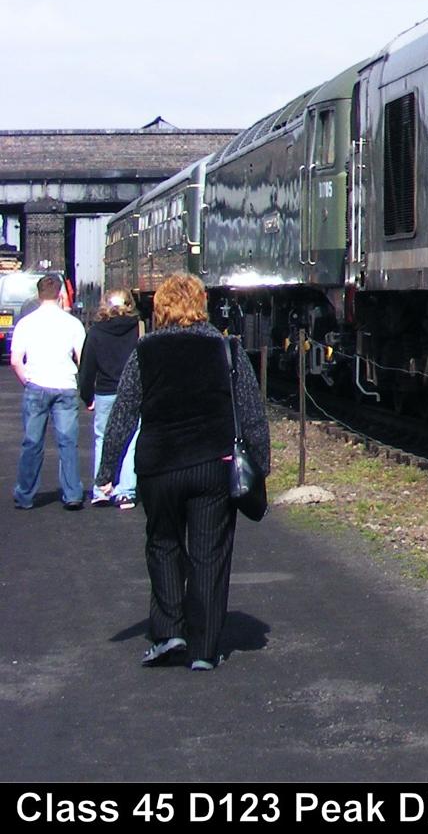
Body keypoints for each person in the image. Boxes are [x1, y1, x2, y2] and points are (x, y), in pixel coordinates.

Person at [96, 273, 270, 671]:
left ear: (160, 308)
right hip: (213, 465)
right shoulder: (226, 349)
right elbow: (252, 413)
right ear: (201, 305)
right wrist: (260, 464)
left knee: (163, 544)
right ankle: (205, 649)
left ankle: (169, 630)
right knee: (210, 554)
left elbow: (123, 414)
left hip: (159, 467)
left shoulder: (145, 352)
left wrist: (107, 468)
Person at [12, 274, 86, 511]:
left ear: (38, 294)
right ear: (61, 295)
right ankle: (72, 493)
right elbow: (81, 357)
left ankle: (25, 494)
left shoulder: (25, 323)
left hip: (36, 385)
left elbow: (15, 361)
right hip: (65, 385)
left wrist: (28, 381)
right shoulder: (73, 323)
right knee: (68, 442)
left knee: (32, 443)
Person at [79, 290, 143, 508]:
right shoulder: (138, 329)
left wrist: (86, 396)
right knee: (131, 440)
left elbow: (87, 368)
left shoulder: (96, 332)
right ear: (130, 303)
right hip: (132, 392)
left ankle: (101, 489)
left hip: (105, 392)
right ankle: (125, 491)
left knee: (103, 439)